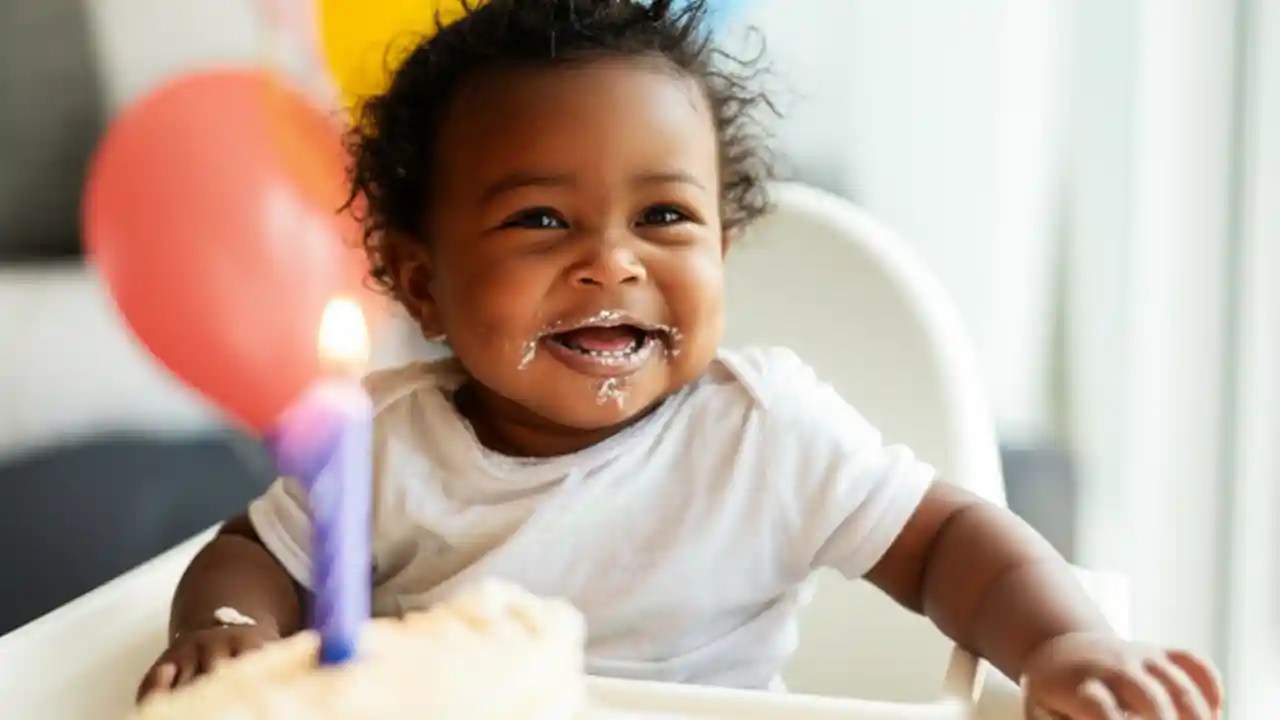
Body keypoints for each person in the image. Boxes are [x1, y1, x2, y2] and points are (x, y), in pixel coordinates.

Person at [139, 2, 1221, 717]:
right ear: (421, 282)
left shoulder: (764, 433)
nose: (612, 263)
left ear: (722, 246)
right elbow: (257, 553)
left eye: (662, 214)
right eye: (538, 221)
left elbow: (945, 545)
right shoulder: (388, 446)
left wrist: (1065, 642)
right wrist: (226, 629)